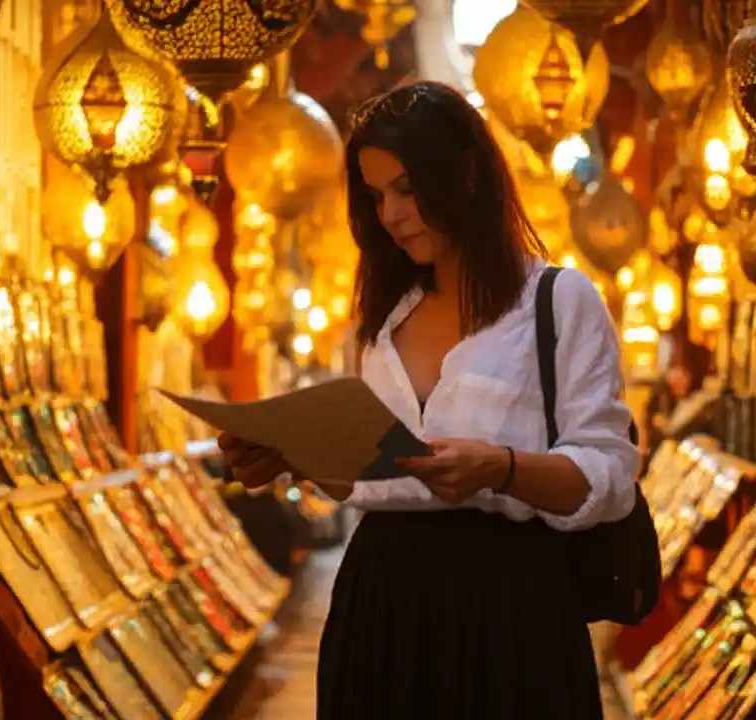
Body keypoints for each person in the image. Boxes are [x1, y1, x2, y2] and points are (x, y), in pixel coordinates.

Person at [217, 81, 640, 720]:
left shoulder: (557, 302)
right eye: (377, 195)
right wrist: (297, 457)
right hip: (382, 600)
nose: (390, 214)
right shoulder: (385, 320)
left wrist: (501, 466)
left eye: (407, 189)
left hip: (506, 606)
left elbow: (609, 478)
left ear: (466, 175)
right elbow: (379, 477)